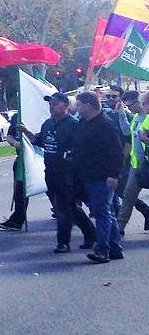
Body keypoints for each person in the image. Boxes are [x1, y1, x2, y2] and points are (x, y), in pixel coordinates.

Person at [25, 93, 94, 255]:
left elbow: (81, 148)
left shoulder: (73, 125)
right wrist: (26, 132)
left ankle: (63, 242)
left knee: (62, 208)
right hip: (51, 171)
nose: (51, 106)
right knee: (68, 206)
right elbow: (41, 141)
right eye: (50, 104)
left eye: (55, 104)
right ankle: (91, 233)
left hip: (68, 173)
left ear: (65, 105)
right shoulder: (48, 124)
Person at [72, 91, 124, 263]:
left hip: (103, 176)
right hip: (88, 174)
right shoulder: (84, 123)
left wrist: (114, 175)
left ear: (88, 105)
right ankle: (115, 247)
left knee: (101, 213)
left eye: (79, 105)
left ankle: (102, 250)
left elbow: (116, 152)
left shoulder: (106, 124)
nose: (77, 109)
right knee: (105, 211)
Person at [113, 91, 149, 234]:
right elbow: (127, 132)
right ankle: (118, 229)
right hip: (138, 166)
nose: (130, 106)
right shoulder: (137, 118)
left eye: (132, 103)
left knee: (128, 196)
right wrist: (122, 114)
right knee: (128, 196)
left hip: (144, 164)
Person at [0, 109, 29, 231]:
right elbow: (9, 135)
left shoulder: (36, 110)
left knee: (51, 190)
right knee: (20, 192)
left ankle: (71, 214)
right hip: (21, 160)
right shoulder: (16, 116)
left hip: (36, 159)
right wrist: (15, 143)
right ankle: (17, 220)